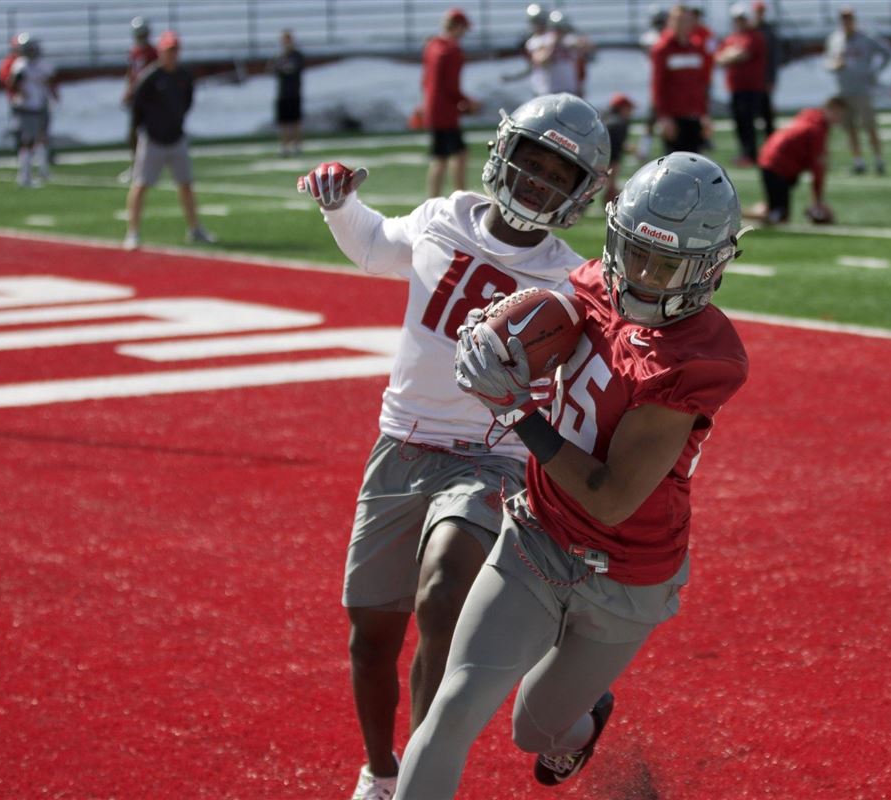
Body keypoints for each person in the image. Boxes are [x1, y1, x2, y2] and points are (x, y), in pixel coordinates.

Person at [392, 150, 749, 800]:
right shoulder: (594, 281)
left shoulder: (700, 358)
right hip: (537, 534)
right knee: (454, 708)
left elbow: (611, 498)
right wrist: (502, 338)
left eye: (664, 263)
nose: (641, 273)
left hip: (625, 577)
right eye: (635, 251)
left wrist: (518, 411)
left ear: (709, 268)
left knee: (535, 729)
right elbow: (554, 313)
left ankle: (579, 727)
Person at [297, 93, 610, 800]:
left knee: (444, 589)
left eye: (558, 176)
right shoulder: (446, 216)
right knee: (371, 634)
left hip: (491, 453)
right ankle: (380, 773)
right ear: (502, 155)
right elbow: (376, 247)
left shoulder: (575, 278)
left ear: (579, 194)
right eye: (531, 163)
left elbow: (599, 376)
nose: (538, 182)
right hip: (401, 443)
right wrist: (338, 201)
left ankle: (424, 776)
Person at [123, 31, 215, 250]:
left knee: (186, 184)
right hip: (153, 138)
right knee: (141, 185)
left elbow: (187, 101)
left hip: (176, 137)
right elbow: (136, 109)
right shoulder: (150, 78)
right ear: (160, 52)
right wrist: (137, 138)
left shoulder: (183, 76)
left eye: (175, 50)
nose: (172, 54)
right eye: (168, 50)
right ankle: (132, 232)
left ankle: (195, 228)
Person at [746, 96, 847, 225]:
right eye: (838, 114)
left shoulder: (809, 119)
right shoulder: (817, 130)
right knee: (778, 218)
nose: (839, 119)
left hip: (772, 162)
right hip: (777, 166)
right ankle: (743, 215)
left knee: (778, 210)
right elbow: (817, 167)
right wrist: (818, 201)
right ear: (829, 110)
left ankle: (763, 209)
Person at [825, 5, 891, 175]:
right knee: (850, 129)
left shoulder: (866, 38)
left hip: (863, 90)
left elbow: (887, 53)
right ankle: (858, 161)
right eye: (843, 18)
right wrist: (834, 65)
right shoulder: (835, 39)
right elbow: (827, 62)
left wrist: (873, 72)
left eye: (848, 18)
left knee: (870, 126)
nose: (846, 21)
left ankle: (879, 160)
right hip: (843, 91)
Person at [421, 8, 480, 198]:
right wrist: (467, 103)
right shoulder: (452, 51)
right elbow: (450, 86)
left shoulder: (432, 46)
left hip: (433, 107)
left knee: (439, 157)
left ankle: (432, 199)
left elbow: (426, 81)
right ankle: (460, 197)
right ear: (457, 27)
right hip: (446, 111)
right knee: (459, 155)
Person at [650, 4, 712, 154]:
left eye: (686, 20)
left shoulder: (698, 47)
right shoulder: (662, 48)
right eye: (678, 20)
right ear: (670, 22)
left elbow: (702, 83)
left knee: (696, 164)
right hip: (674, 118)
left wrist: (704, 114)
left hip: (695, 116)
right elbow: (658, 85)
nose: (682, 24)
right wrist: (664, 117)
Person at [716, 4, 768, 168]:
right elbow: (719, 57)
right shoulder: (731, 38)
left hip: (752, 87)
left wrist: (730, 55)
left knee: (749, 122)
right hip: (735, 87)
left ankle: (752, 153)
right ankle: (745, 152)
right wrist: (731, 54)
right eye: (737, 19)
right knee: (739, 122)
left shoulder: (753, 36)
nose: (740, 22)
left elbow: (741, 55)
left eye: (742, 18)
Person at [6, 33, 58, 188]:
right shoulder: (20, 65)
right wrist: (20, 89)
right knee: (27, 141)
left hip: (40, 105)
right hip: (27, 108)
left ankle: (42, 170)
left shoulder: (42, 65)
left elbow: (51, 81)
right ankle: (24, 176)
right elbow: (13, 84)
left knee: (41, 138)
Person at [118, 17, 159, 183]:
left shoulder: (152, 52)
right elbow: (131, 73)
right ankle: (137, 165)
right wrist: (128, 90)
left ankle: (150, 166)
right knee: (133, 133)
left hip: (149, 98)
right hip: (137, 98)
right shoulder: (134, 52)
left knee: (151, 134)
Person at [524, 9, 591, 97]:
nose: (559, 31)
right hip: (547, 93)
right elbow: (540, 60)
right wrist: (553, 45)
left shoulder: (569, 41)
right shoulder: (539, 42)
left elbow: (588, 48)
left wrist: (576, 42)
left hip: (570, 92)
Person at [270, 29, 305, 156]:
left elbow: (293, 68)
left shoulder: (297, 55)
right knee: (283, 122)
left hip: (294, 93)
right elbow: (272, 69)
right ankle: (284, 147)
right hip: (283, 93)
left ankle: (297, 146)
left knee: (295, 122)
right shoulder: (279, 56)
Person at [751, 0, 780, 137]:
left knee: (767, 114)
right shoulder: (750, 30)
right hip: (751, 81)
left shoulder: (769, 31)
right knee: (750, 116)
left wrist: (772, 79)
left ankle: (770, 142)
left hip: (764, 79)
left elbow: (773, 57)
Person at [602, 93, 635, 203]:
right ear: (622, 108)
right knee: (611, 188)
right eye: (629, 109)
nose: (631, 112)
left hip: (593, 157)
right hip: (608, 160)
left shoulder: (604, 118)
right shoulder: (620, 124)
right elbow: (615, 149)